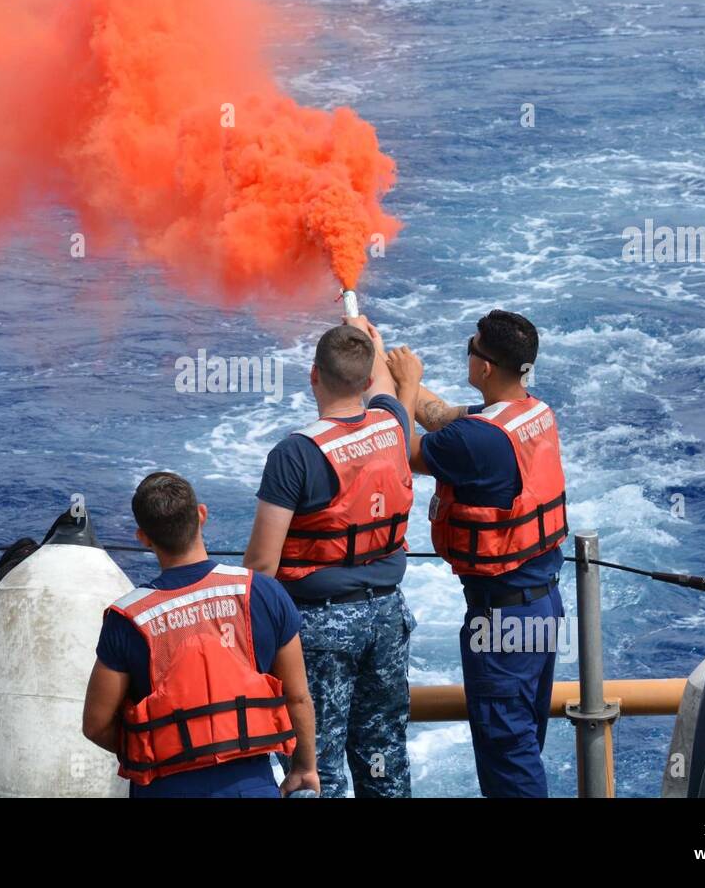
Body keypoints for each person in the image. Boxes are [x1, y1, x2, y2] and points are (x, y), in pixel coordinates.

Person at [391, 309, 568, 798]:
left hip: (502, 622)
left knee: (508, 754)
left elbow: (402, 450)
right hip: (541, 607)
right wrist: (389, 377)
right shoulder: (528, 413)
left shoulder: (477, 440)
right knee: (521, 743)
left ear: (485, 367)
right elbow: (440, 416)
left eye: (471, 347)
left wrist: (404, 387)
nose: (467, 353)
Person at [243, 321, 418, 798]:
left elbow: (261, 564)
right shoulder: (392, 424)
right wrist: (369, 340)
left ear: (312, 374)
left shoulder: (295, 454)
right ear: (365, 381)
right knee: (383, 751)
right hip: (387, 619)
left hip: (320, 631)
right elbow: (384, 384)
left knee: (315, 762)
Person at [83, 472, 319, 798]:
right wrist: (304, 768)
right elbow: (297, 697)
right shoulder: (262, 592)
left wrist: (154, 749)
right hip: (251, 787)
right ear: (201, 516)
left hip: (164, 788)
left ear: (143, 537)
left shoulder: (127, 618)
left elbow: (96, 724)